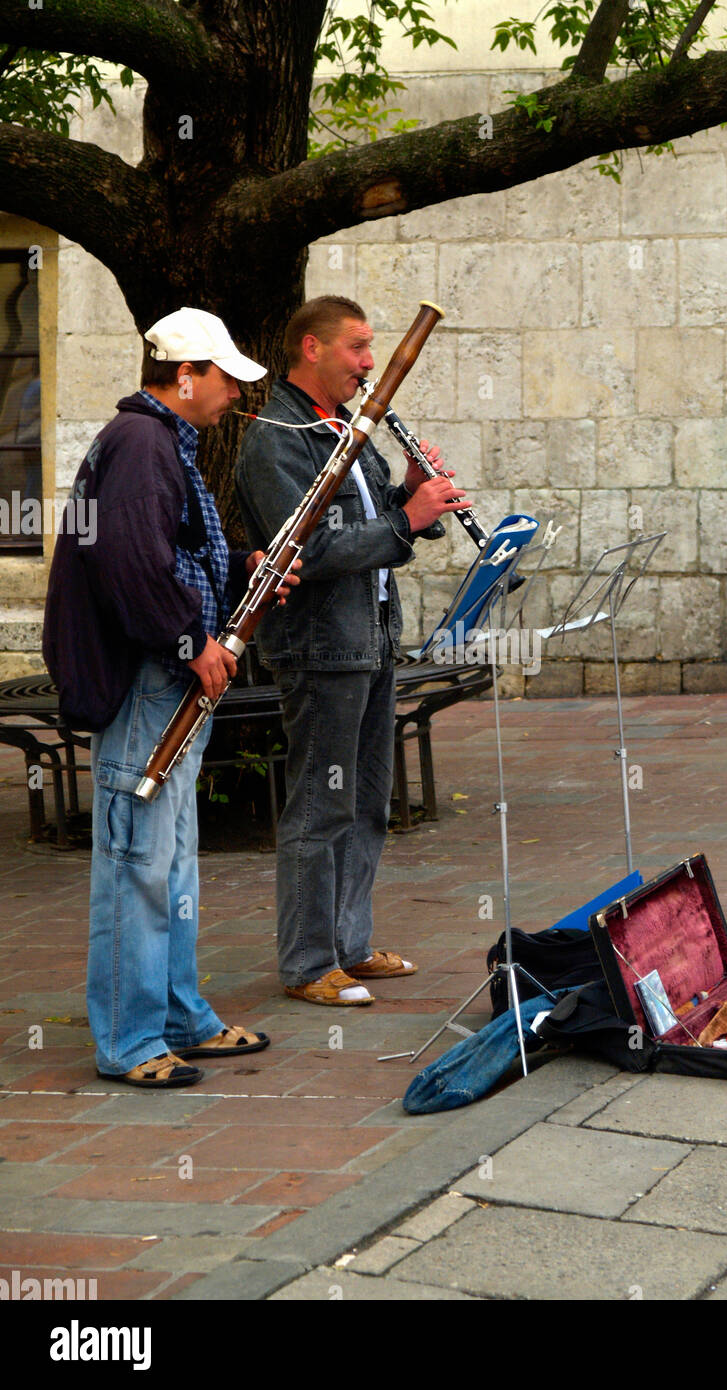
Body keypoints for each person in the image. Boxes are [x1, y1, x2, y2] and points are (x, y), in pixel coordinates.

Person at [43, 307, 298, 1087]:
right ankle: (128, 1038)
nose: (232, 395)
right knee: (137, 862)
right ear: (184, 377)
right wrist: (195, 643)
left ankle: (179, 1015)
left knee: (170, 860)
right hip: (150, 677)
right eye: (223, 378)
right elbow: (131, 565)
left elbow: (175, 551)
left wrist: (243, 568)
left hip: (163, 673)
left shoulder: (156, 440)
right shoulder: (144, 442)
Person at [235, 295, 467, 1005]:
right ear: (311, 348)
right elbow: (308, 546)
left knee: (367, 802)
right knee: (319, 807)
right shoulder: (278, 436)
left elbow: (370, 515)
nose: (370, 363)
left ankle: (351, 944)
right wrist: (408, 518)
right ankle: (308, 963)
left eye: (371, 349)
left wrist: (414, 495)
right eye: (357, 348)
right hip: (320, 645)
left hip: (370, 638)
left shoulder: (349, 427)